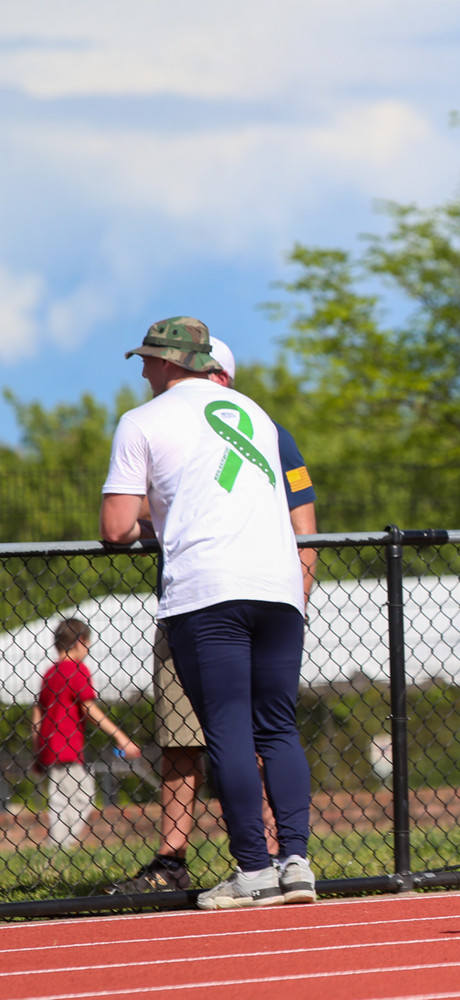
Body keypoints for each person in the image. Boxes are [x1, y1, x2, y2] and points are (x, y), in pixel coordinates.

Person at [100, 316, 315, 910]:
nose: (142, 369)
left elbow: (116, 526)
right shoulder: (255, 414)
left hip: (208, 589)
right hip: (278, 588)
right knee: (278, 728)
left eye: (147, 359)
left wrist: (161, 518)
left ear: (172, 363)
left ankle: (253, 872)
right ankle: (296, 864)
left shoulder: (141, 421)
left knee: (227, 730)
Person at [31, 618, 141, 850]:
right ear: (81, 641)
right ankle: (61, 845)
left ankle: (60, 845)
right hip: (66, 746)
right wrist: (121, 736)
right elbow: (88, 708)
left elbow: (37, 713)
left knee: (63, 798)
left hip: (49, 746)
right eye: (88, 644)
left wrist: (37, 749)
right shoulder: (76, 669)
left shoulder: (50, 673)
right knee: (80, 797)